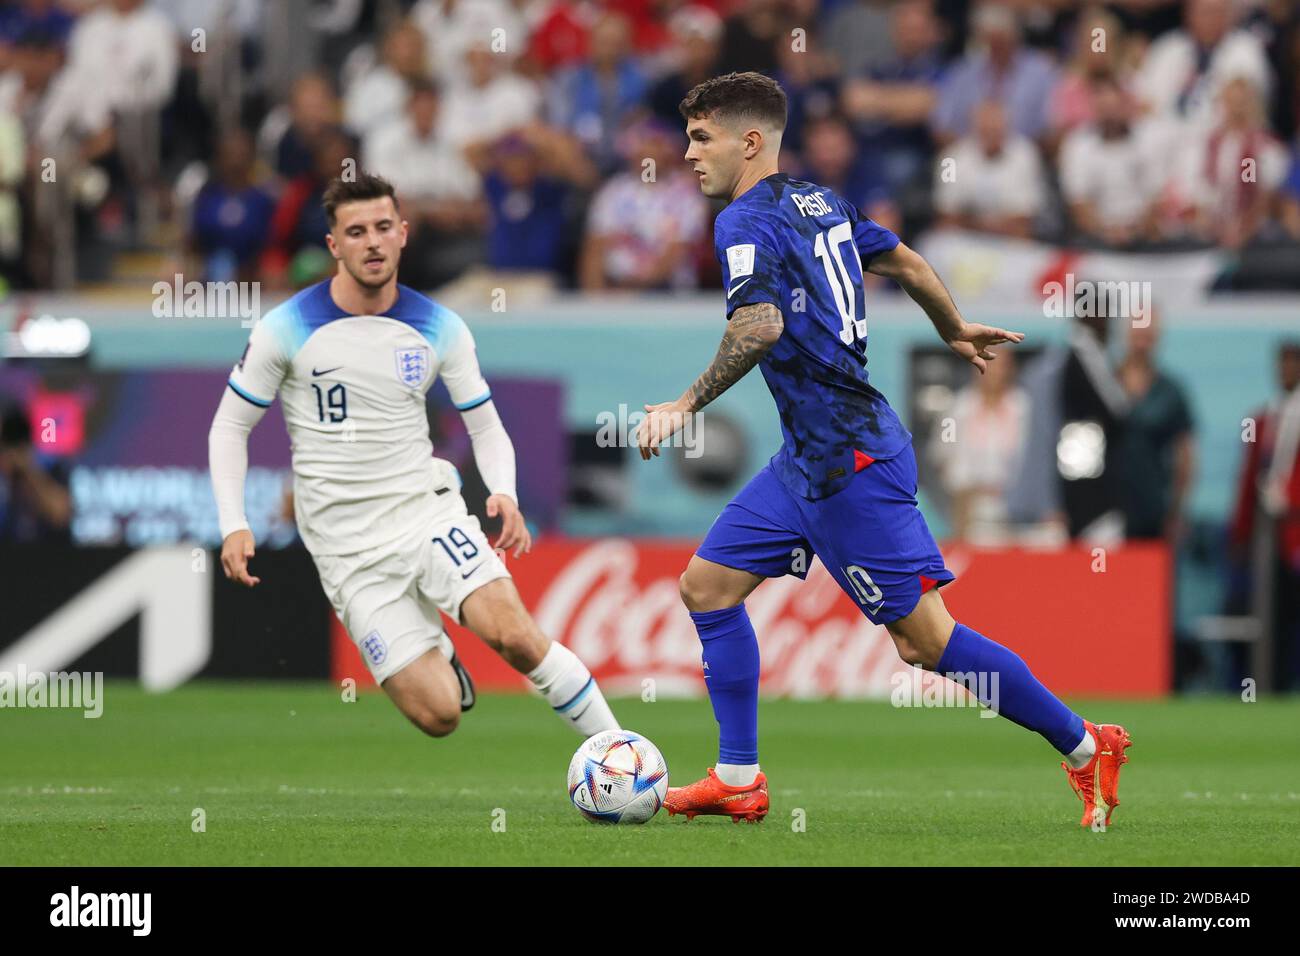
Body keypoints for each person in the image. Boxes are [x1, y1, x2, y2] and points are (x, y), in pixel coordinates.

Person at [635, 72, 1130, 827]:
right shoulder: (823, 201)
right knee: (706, 587)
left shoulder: (741, 222)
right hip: (806, 460)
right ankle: (738, 774)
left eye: (702, 138)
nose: (688, 153)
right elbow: (906, 262)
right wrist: (953, 327)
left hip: (851, 464)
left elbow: (759, 326)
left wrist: (684, 403)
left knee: (927, 643)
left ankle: (1087, 747)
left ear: (751, 141)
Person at [208, 173, 620, 741]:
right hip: (346, 551)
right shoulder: (285, 328)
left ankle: (625, 756)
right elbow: (230, 426)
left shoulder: (439, 326)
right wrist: (234, 524)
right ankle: (441, 654)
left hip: (425, 513)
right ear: (334, 245)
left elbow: (486, 424)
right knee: (439, 715)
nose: (372, 242)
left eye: (382, 228)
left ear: (403, 234)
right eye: (355, 232)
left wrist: (504, 490)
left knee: (515, 637)